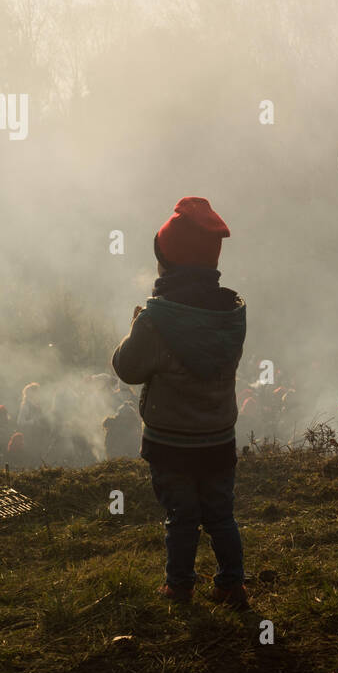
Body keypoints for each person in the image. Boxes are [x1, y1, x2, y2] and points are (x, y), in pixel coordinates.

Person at [112, 197, 248, 608]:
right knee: (220, 514)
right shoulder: (234, 313)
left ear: (168, 264)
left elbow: (127, 367)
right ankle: (230, 584)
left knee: (182, 516)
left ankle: (179, 585)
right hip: (218, 437)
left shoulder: (155, 320)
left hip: (171, 442)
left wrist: (136, 324)